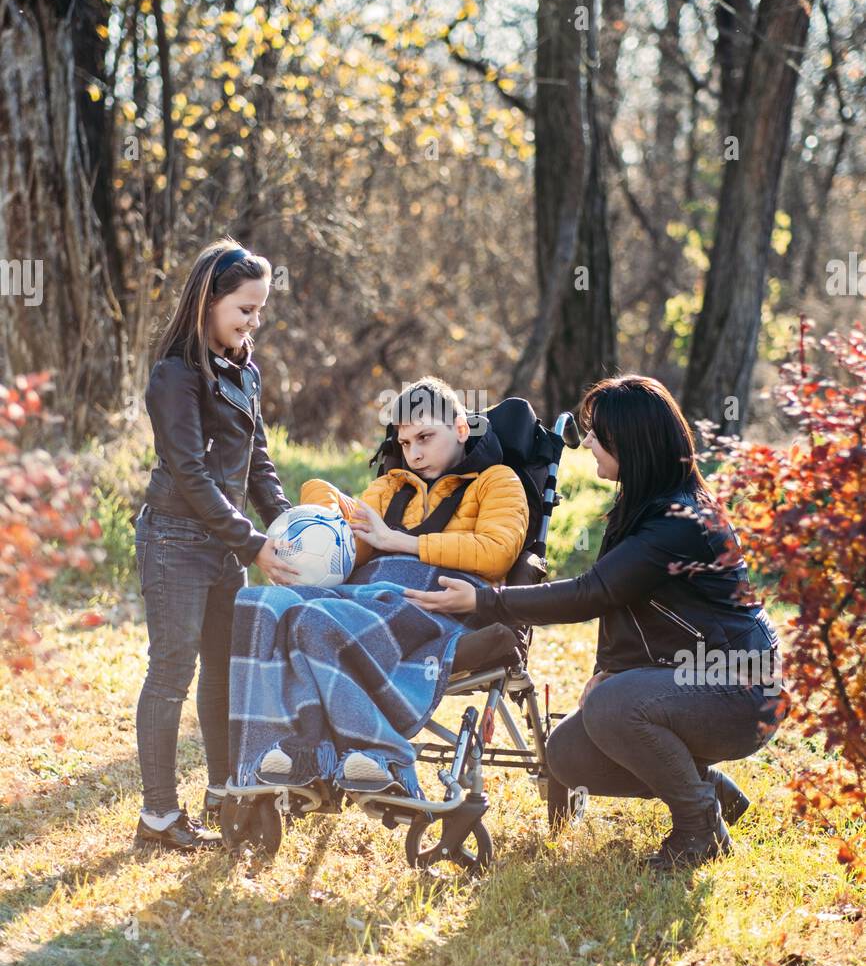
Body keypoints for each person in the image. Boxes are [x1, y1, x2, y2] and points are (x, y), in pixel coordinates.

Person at [405, 374, 790, 872]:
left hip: (740, 689)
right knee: (568, 754)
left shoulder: (678, 521)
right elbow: (620, 605)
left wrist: (486, 601)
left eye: (596, 432)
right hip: (689, 678)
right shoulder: (642, 503)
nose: (585, 442)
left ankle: (700, 829)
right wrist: (607, 668)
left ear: (630, 441)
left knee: (612, 708)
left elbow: (592, 594)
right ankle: (710, 789)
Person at [230, 377, 530, 796]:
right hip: (371, 596)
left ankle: (381, 752)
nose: (416, 453)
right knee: (263, 602)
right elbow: (350, 537)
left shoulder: (496, 482)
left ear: (461, 429)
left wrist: (399, 541)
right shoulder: (392, 487)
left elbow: (497, 551)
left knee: (315, 619)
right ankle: (282, 750)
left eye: (426, 437)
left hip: (443, 603)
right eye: (405, 443)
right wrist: (322, 513)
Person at [133, 239, 298, 852]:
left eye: (259, 312)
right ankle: (157, 818)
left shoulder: (245, 372)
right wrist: (253, 542)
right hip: (176, 539)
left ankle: (226, 790)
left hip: (229, 545)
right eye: (245, 309)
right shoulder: (174, 374)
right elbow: (190, 472)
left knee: (226, 674)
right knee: (172, 673)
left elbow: (258, 464)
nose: (253, 322)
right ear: (210, 299)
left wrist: (287, 528)